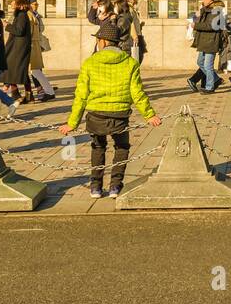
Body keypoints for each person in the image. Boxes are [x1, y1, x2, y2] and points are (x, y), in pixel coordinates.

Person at [60, 21, 161, 198]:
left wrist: (72, 123)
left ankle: (95, 188)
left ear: (104, 42)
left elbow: (81, 96)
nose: (97, 43)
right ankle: (115, 186)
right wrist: (149, 115)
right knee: (121, 147)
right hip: (119, 114)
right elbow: (137, 93)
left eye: (98, 40)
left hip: (95, 113)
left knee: (98, 147)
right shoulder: (130, 63)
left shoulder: (89, 63)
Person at [189, 0, 227, 92]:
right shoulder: (206, 9)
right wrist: (197, 16)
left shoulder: (216, 10)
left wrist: (196, 25)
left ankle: (210, 87)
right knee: (200, 62)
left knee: (207, 65)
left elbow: (212, 26)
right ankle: (216, 79)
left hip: (211, 41)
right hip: (204, 40)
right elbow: (199, 19)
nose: (203, 1)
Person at [2, 0, 35, 103]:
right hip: (17, 47)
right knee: (16, 71)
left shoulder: (22, 15)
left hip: (18, 48)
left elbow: (19, 31)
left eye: (13, 1)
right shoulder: (20, 14)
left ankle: (19, 95)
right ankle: (20, 95)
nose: (11, 3)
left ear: (19, 4)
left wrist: (6, 25)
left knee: (14, 71)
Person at [28, 0, 56, 100]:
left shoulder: (34, 16)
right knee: (34, 70)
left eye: (37, 4)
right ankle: (42, 90)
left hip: (33, 45)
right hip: (32, 44)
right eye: (34, 4)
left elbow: (40, 29)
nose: (36, 6)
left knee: (35, 70)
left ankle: (45, 90)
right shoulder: (29, 14)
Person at [125, 0, 146, 65]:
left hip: (136, 34)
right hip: (134, 36)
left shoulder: (132, 8)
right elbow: (131, 23)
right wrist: (135, 36)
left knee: (138, 55)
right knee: (137, 56)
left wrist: (140, 26)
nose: (137, 0)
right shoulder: (129, 9)